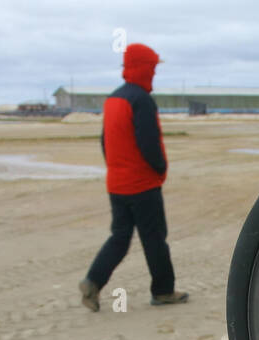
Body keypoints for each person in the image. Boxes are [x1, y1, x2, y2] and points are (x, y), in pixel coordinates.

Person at [80, 42, 188, 310]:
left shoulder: (113, 99)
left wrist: (116, 169)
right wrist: (161, 167)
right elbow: (149, 143)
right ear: (143, 68)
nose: (153, 74)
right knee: (154, 239)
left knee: (120, 237)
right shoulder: (141, 100)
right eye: (152, 68)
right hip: (142, 185)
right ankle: (163, 291)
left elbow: (105, 142)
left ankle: (93, 282)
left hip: (117, 185)